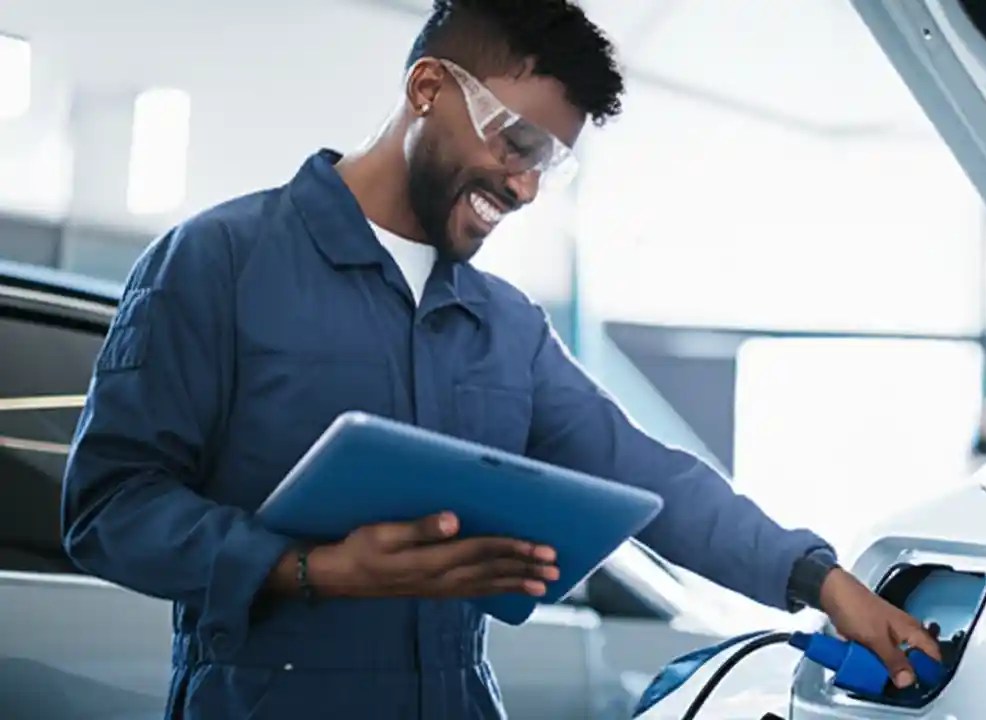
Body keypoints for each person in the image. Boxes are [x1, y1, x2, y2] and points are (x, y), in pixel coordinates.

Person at [60, 1, 940, 717]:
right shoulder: (219, 264)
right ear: (428, 87)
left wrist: (821, 582)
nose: (523, 186)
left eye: (548, 164)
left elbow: (647, 474)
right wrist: (313, 569)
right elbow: (109, 506)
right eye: (515, 145)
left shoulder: (501, 323)